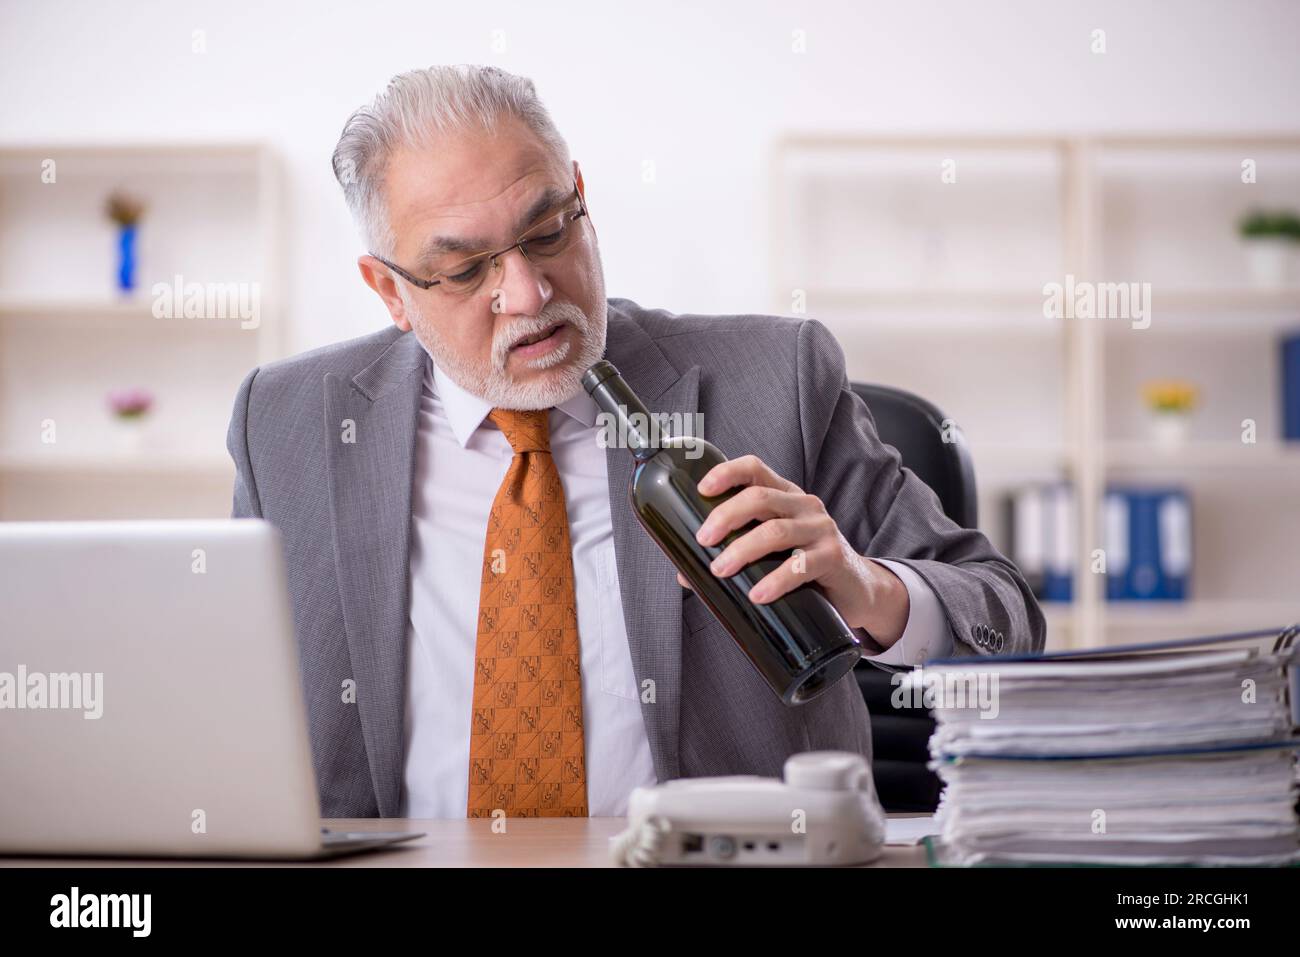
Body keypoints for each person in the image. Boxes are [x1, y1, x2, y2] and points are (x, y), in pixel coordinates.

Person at [226, 64, 1044, 819]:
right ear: (390, 291)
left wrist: (868, 587)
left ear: (581, 196)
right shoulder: (286, 423)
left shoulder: (776, 380)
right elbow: (236, 706)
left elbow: (1003, 611)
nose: (530, 292)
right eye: (468, 270)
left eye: (548, 230)